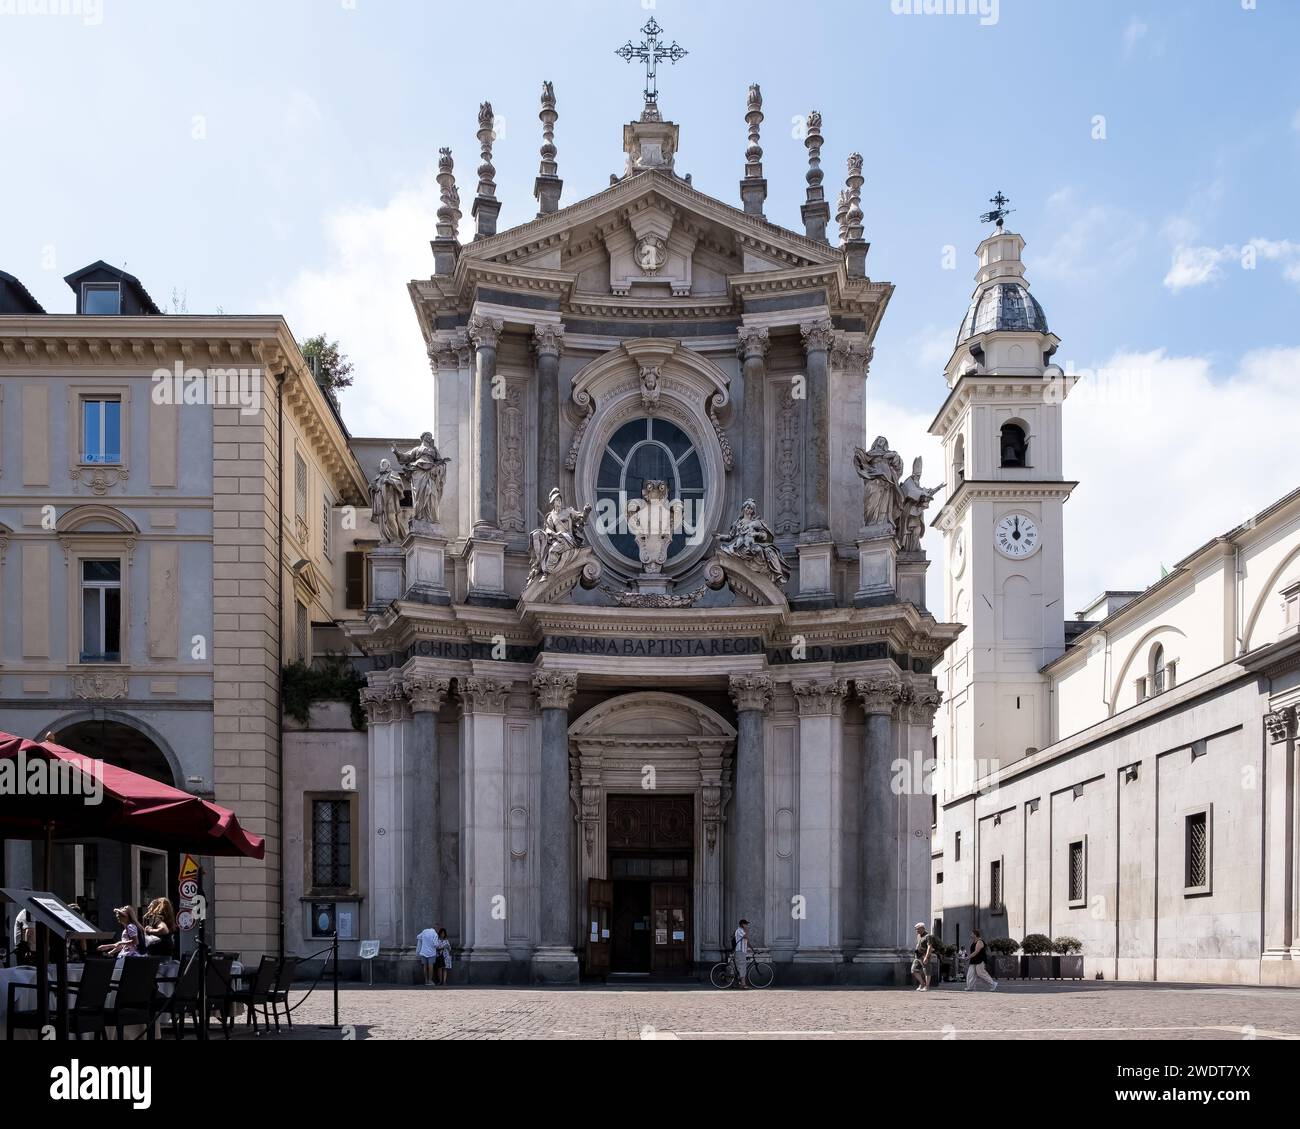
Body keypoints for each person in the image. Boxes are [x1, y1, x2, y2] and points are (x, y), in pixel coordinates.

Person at [911, 922, 935, 992]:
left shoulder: (928, 936)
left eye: (918, 929)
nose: (917, 931)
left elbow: (929, 947)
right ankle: (922, 984)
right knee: (913, 970)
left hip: (924, 956)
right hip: (917, 956)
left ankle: (927, 987)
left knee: (927, 971)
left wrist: (926, 957)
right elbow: (918, 944)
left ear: (922, 928)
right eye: (916, 929)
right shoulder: (918, 936)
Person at [733, 919, 751, 989]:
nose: (747, 925)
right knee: (742, 967)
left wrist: (753, 949)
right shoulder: (739, 930)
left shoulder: (742, 931)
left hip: (742, 951)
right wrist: (746, 929)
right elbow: (746, 936)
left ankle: (740, 983)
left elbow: (746, 941)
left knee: (741, 967)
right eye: (746, 924)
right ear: (742, 924)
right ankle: (743, 984)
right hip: (739, 951)